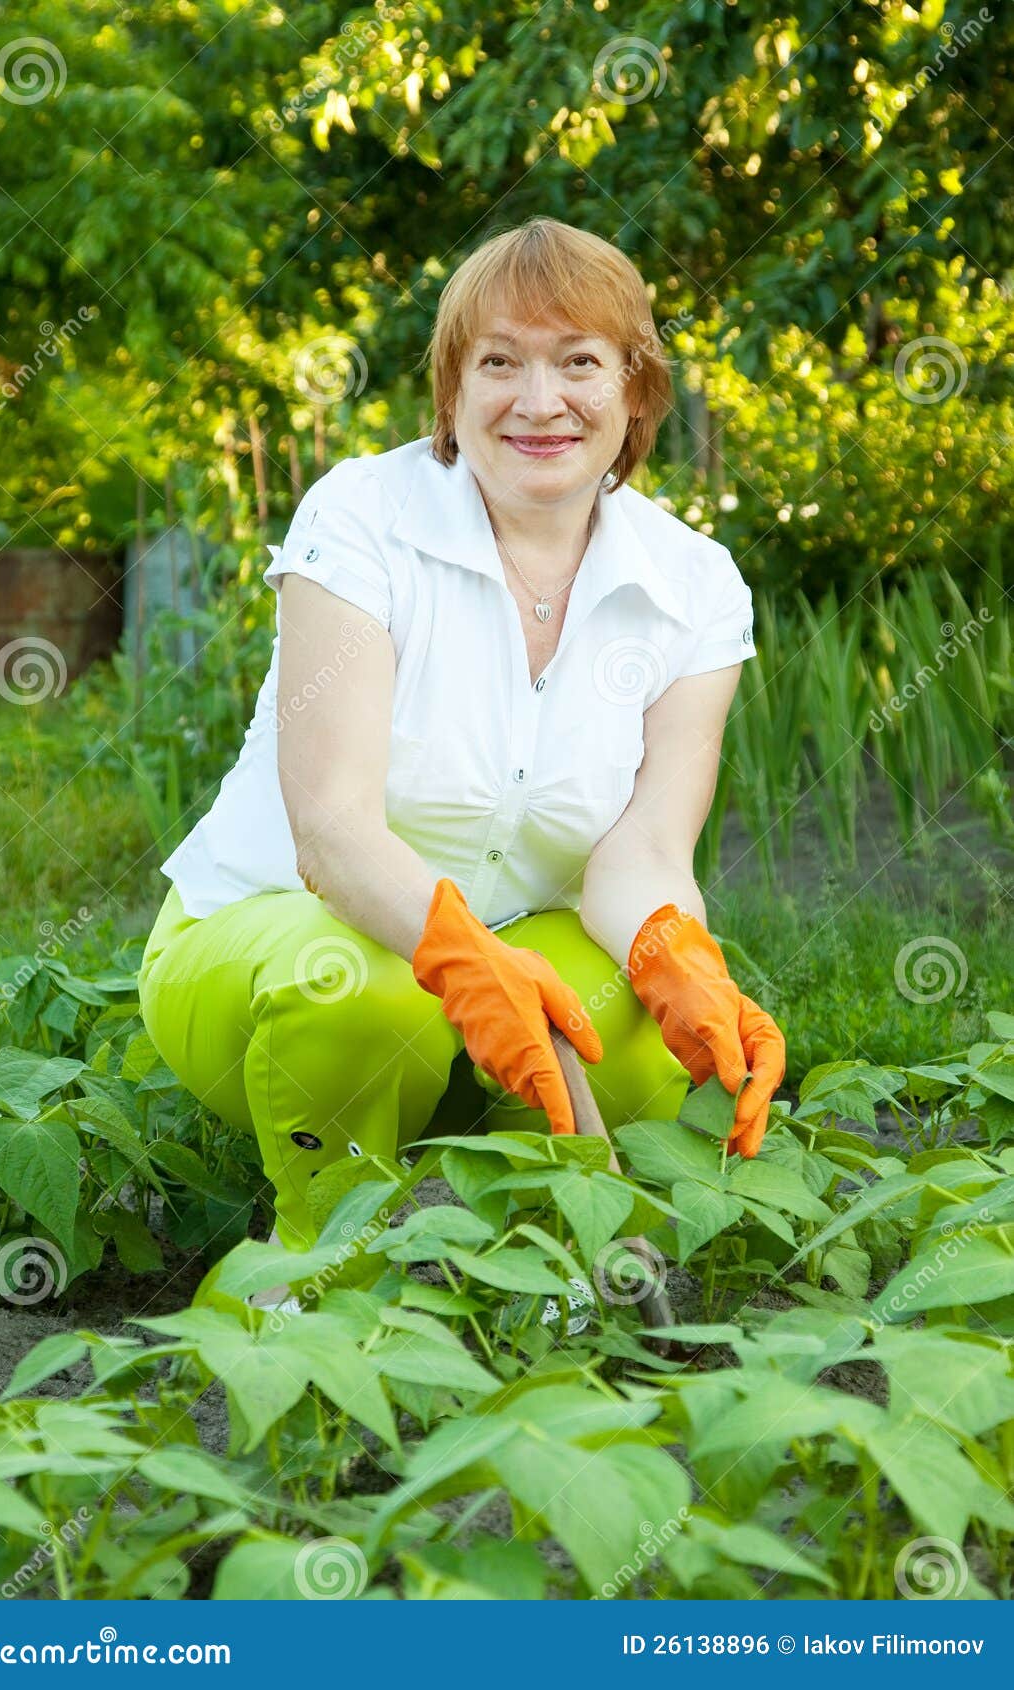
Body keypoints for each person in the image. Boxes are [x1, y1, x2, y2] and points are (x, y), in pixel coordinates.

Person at [137, 216, 786, 1275]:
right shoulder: (362, 518)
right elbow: (332, 831)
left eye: (578, 362)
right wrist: (462, 959)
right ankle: (315, 1268)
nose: (538, 403)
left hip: (514, 941)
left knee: (627, 1029)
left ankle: (551, 1271)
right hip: (274, 936)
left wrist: (677, 956)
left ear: (635, 391)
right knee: (357, 990)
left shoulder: (694, 584)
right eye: (498, 363)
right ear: (450, 395)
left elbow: (643, 850)